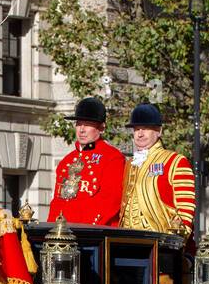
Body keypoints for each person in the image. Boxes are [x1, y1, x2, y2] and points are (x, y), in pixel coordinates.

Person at [117, 103, 196, 242]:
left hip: (160, 242)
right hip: (126, 241)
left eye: (146, 129)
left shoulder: (175, 161)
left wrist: (177, 241)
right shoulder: (129, 164)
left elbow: (186, 208)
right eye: (136, 129)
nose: (140, 134)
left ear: (159, 131)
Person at [47, 96, 125, 226]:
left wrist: (85, 228)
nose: (81, 129)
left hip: (94, 234)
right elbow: (57, 201)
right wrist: (50, 229)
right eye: (78, 124)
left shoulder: (113, 158)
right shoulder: (66, 161)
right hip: (64, 233)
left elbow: (111, 201)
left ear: (101, 128)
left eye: (88, 124)